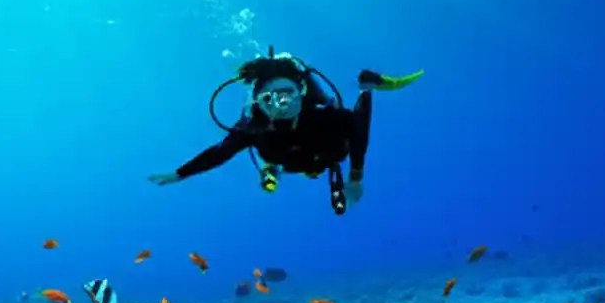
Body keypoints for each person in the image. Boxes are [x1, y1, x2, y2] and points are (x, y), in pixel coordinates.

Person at [148, 49, 421, 215]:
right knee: (280, 159)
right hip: (286, 158)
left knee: (341, 143)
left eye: (287, 94)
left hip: (323, 151)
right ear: (258, 102)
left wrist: (356, 177)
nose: (282, 103)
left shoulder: (324, 116)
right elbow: (219, 154)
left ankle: (367, 85)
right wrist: (180, 174)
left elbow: (360, 131)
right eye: (270, 98)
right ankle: (272, 169)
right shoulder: (252, 128)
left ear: (301, 92)